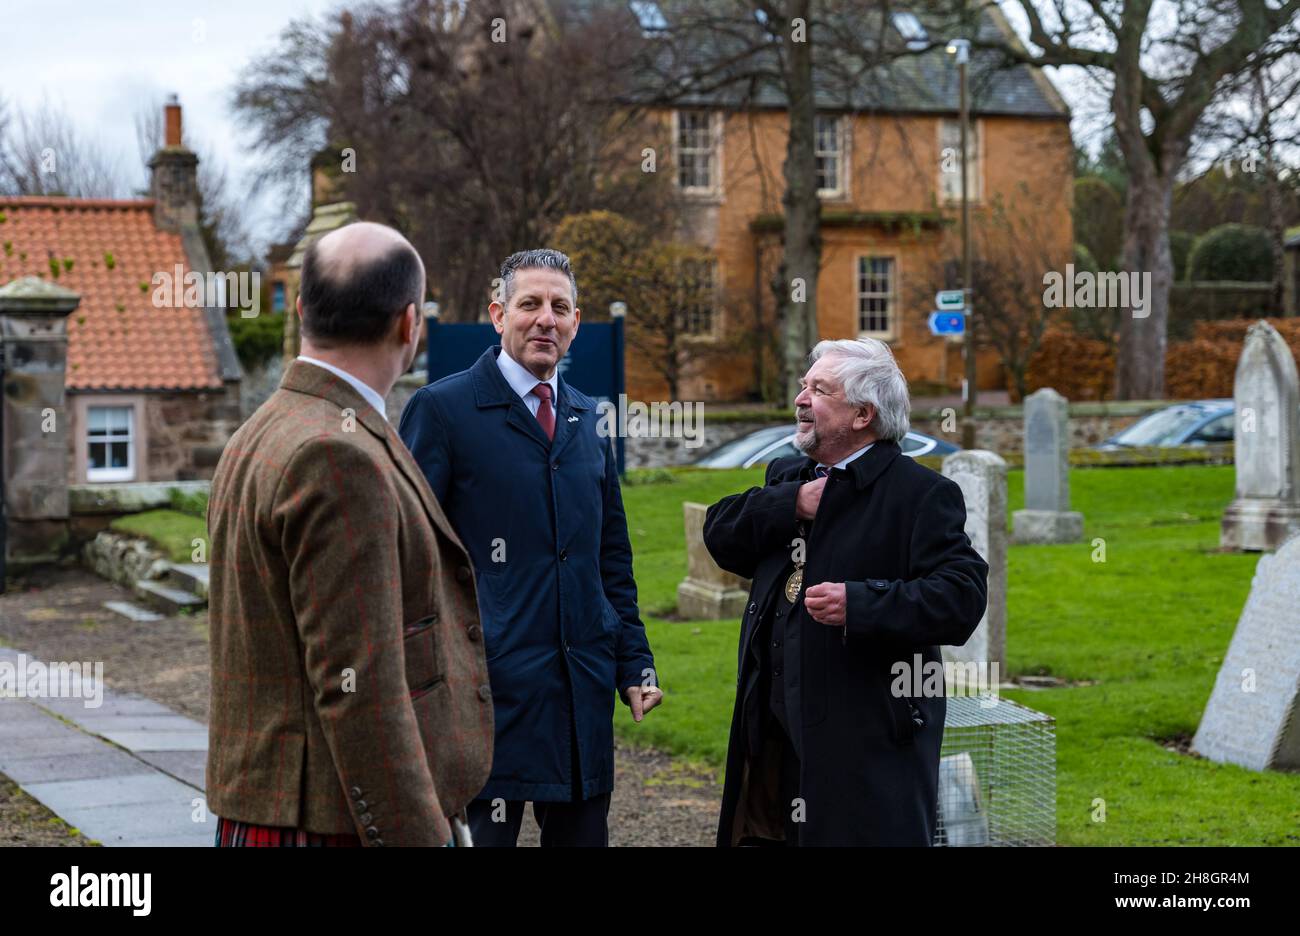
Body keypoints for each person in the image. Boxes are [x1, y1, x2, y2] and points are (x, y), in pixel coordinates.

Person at [207, 222, 493, 847]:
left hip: (275, 809)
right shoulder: (338, 457)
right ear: (409, 325)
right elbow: (358, 686)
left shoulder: (262, 430)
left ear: (304, 309)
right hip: (328, 821)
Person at [399, 248, 660, 847]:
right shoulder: (442, 411)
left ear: (575, 323)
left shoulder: (588, 417)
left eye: (560, 308)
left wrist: (633, 662)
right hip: (485, 696)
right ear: (498, 314)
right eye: (530, 304)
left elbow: (610, 560)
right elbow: (411, 554)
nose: (546, 319)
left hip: (579, 697)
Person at [704, 338, 988, 846]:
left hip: (868, 746)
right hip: (773, 735)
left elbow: (962, 595)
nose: (800, 399)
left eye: (819, 389)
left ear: (862, 414)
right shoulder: (789, 477)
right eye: (803, 386)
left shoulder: (919, 494)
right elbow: (721, 535)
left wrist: (861, 603)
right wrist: (790, 503)